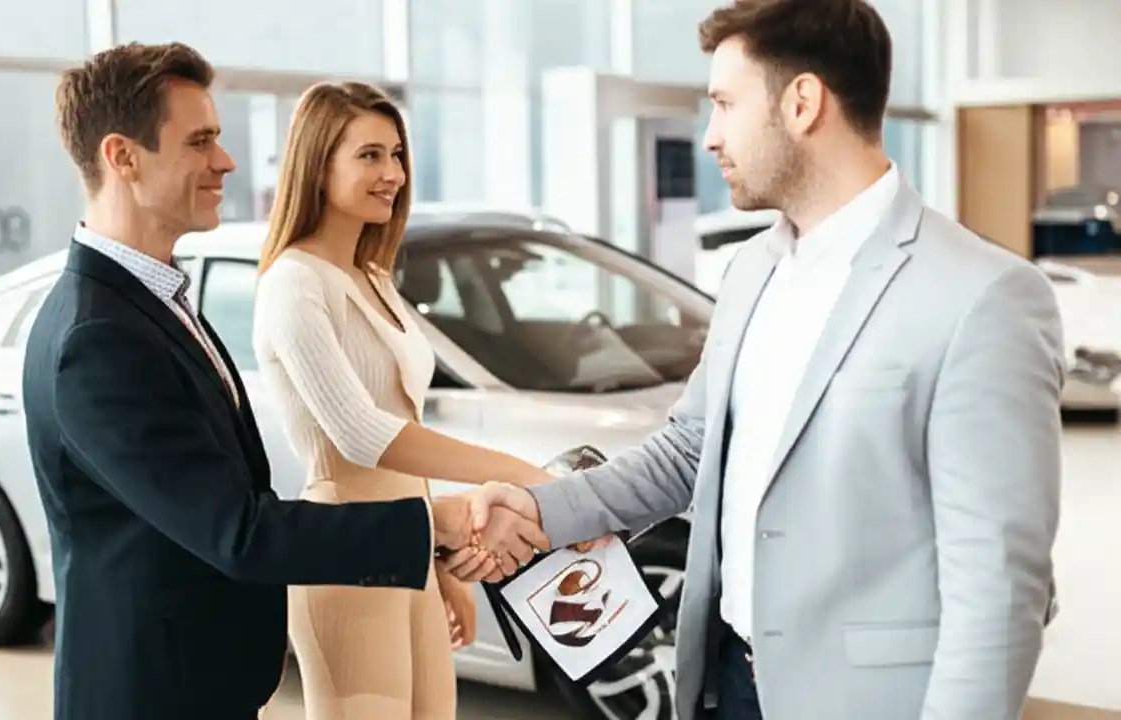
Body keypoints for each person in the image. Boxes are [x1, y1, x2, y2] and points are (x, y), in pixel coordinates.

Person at [456, 2, 1065, 719]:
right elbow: (689, 450)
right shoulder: (753, 269)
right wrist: (537, 508)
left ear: (802, 102)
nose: (711, 137)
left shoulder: (981, 296)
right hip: (724, 681)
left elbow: (997, 587)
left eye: (724, 104)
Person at [22, 43, 532, 720]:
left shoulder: (150, 303)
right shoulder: (99, 338)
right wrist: (434, 526)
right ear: (123, 156)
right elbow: (240, 532)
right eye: (201, 140)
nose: (226, 161)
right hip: (152, 694)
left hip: (201, 679)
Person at [250, 80, 558, 719]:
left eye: (396, 155)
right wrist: (516, 472)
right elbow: (365, 436)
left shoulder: (373, 279)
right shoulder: (294, 284)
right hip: (343, 554)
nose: (391, 173)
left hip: (406, 549)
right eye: (369, 155)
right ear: (318, 163)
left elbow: (402, 428)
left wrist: (439, 563)